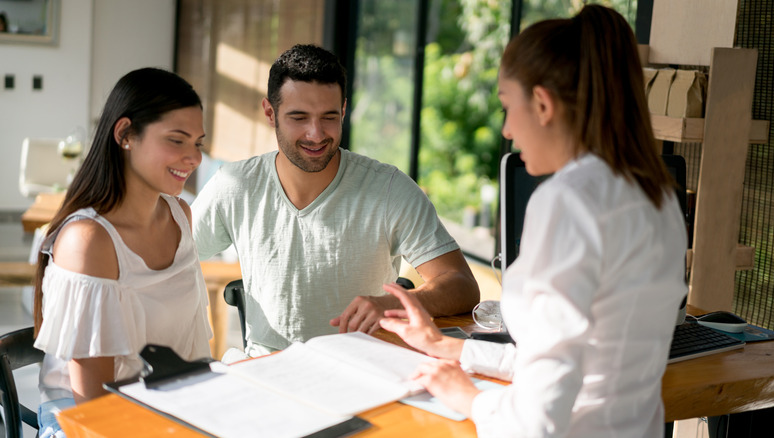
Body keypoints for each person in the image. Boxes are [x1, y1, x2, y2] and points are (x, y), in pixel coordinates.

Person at [379, 5, 688, 437]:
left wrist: (468, 397)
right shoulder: (657, 196)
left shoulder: (568, 202)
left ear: (542, 104)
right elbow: (574, 359)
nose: (506, 129)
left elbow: (537, 422)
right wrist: (447, 348)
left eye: (508, 106)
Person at [192, 44, 479, 357]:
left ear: (343, 110)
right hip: (267, 369)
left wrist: (394, 303)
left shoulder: (389, 190)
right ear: (269, 113)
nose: (316, 134)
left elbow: (462, 284)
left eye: (329, 117)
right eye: (298, 117)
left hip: (362, 365)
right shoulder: (235, 185)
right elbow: (164, 257)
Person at [32, 68, 212, 438]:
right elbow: (92, 401)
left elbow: (192, 353)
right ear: (125, 134)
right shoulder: (89, 240)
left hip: (166, 405)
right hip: (91, 420)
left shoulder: (181, 215)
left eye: (198, 143)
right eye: (176, 141)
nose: (192, 158)